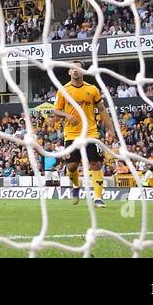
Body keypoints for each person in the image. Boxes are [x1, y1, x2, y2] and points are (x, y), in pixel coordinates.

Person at [54, 63, 116, 207]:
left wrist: (111, 129)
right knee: (72, 166)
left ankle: (98, 198)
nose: (75, 70)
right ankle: (76, 185)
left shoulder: (92, 89)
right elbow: (55, 110)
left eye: (78, 68)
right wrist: (67, 115)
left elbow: (102, 109)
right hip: (71, 134)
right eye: (72, 68)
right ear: (69, 72)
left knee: (95, 163)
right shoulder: (63, 90)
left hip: (90, 133)